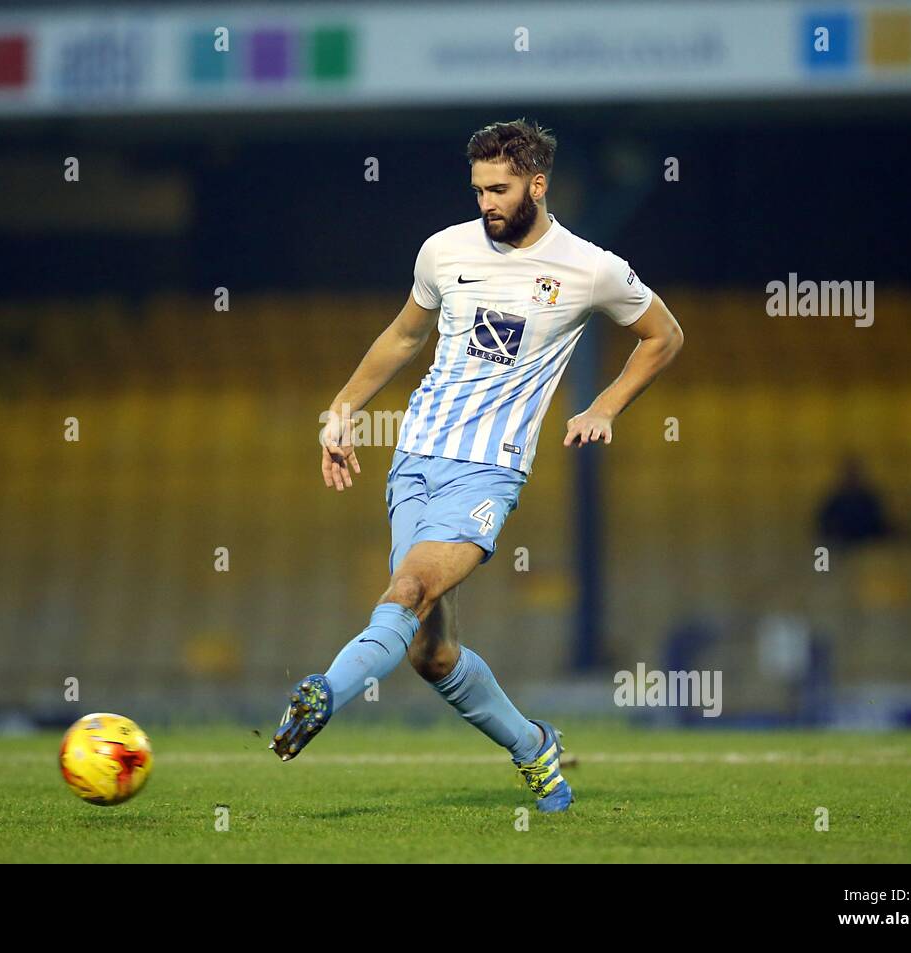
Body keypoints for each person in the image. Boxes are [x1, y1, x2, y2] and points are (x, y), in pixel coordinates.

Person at [270, 119, 684, 813]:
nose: (487, 202)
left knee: (406, 590)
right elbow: (406, 332)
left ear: (537, 184)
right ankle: (533, 746)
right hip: (414, 464)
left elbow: (663, 334)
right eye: (479, 189)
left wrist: (606, 406)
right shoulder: (444, 251)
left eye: (500, 188)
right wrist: (342, 407)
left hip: (487, 475)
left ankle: (322, 695)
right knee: (430, 654)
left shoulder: (590, 268)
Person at [817, 455, 889, 548]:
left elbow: (879, 526)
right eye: (848, 473)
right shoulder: (834, 501)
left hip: (867, 550)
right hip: (840, 550)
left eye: (854, 473)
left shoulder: (869, 499)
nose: (852, 477)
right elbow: (824, 527)